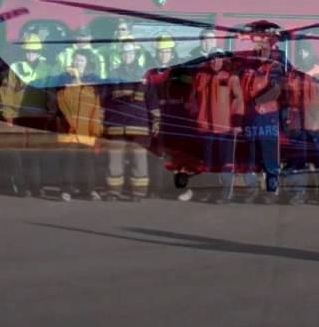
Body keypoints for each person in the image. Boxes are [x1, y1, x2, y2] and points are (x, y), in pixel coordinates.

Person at [189, 50, 245, 203]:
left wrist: (237, 123)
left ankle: (225, 193)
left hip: (224, 127)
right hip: (205, 127)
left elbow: (238, 101)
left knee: (225, 162)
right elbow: (192, 98)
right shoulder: (200, 76)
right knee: (207, 162)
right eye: (212, 59)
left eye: (218, 59)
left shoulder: (230, 77)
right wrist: (195, 114)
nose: (215, 62)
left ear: (223, 60)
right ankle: (208, 192)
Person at [238, 23, 285, 203]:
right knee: (249, 155)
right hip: (249, 118)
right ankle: (251, 189)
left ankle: (271, 190)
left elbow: (276, 90)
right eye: (257, 47)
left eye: (264, 48)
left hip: (267, 117)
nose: (260, 51)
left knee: (269, 154)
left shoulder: (274, 67)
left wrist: (256, 101)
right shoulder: (246, 68)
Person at [0, 32, 47, 198]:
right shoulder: (16, 68)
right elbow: (6, 93)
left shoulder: (46, 68)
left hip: (39, 119)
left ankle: (36, 186)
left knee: (35, 155)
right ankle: (21, 187)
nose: (31, 54)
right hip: (19, 117)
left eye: (34, 51)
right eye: (28, 51)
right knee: (18, 155)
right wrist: (7, 116)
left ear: (39, 52)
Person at [285, 41, 319, 205]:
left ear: (311, 52)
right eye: (299, 52)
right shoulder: (292, 74)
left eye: (305, 51)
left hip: (316, 124)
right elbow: (285, 97)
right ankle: (299, 193)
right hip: (297, 124)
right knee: (298, 159)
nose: (302, 54)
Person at [102, 40, 150, 200]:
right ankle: (113, 191)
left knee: (139, 159)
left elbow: (152, 100)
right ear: (121, 56)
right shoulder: (113, 74)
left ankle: (138, 192)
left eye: (130, 53)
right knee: (114, 159)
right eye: (124, 54)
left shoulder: (144, 74)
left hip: (139, 124)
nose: (127, 56)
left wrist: (155, 121)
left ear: (135, 55)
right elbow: (105, 99)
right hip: (116, 124)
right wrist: (104, 120)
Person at [52, 49, 103, 201]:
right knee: (69, 160)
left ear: (87, 63)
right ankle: (66, 190)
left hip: (86, 129)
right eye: (76, 60)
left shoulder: (92, 82)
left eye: (81, 60)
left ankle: (89, 190)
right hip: (68, 128)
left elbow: (96, 107)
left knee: (87, 162)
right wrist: (71, 80)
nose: (78, 63)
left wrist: (96, 130)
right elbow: (60, 101)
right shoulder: (63, 79)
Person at [144, 33, 182, 198]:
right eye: (160, 52)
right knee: (157, 154)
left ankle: (177, 188)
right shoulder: (150, 74)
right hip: (157, 118)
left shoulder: (180, 71)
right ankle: (156, 188)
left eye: (166, 51)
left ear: (172, 53)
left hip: (176, 118)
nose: (163, 54)